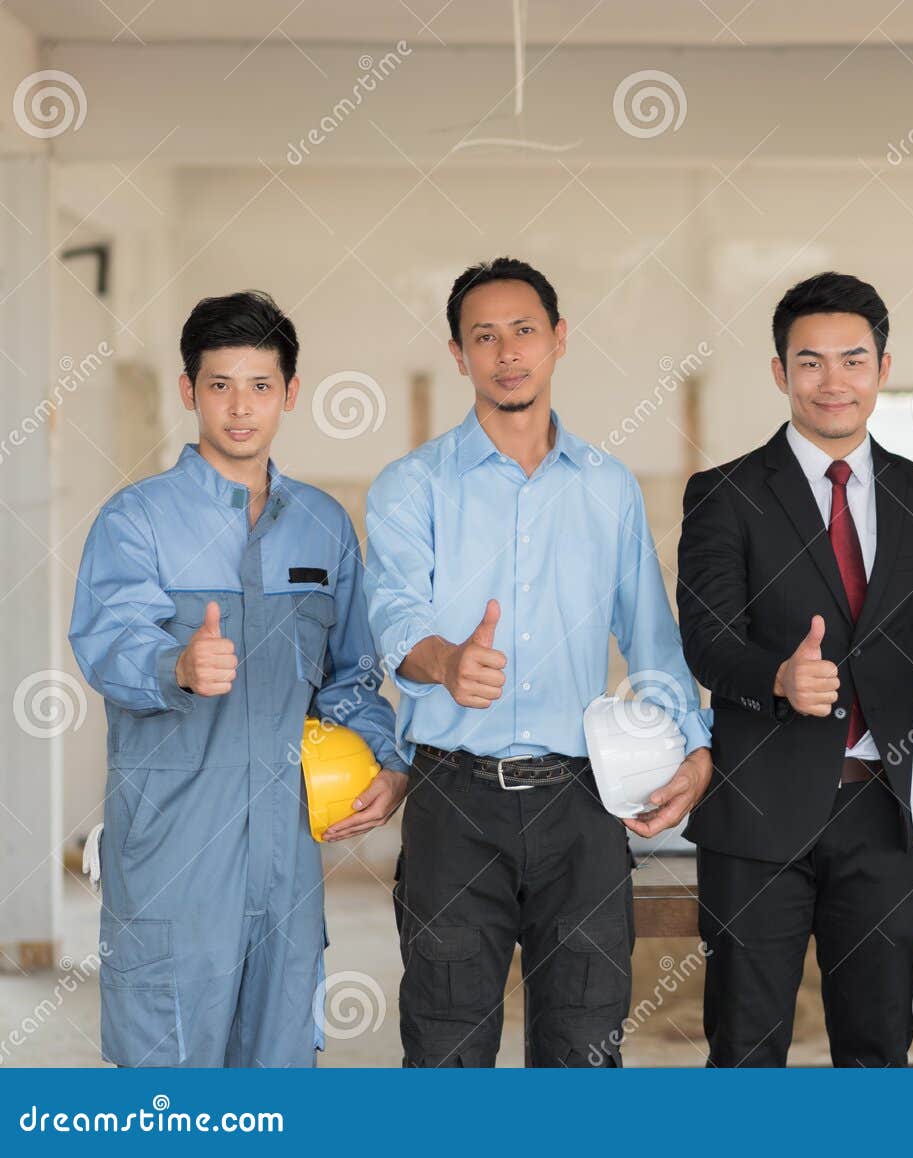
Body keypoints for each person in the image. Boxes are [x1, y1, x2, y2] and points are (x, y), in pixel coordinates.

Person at [364, 257, 711, 1067]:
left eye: (523, 330)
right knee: (446, 1052)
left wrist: (693, 748)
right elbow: (395, 616)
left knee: (584, 1050)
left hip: (581, 807)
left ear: (558, 340)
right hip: (453, 803)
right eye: (484, 337)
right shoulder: (411, 486)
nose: (506, 351)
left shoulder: (608, 487)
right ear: (459, 355)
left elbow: (651, 638)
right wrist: (445, 661)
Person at [68, 291, 404, 1067]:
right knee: (168, 1085)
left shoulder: (323, 525)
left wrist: (388, 760)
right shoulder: (137, 521)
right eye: (220, 385)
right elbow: (107, 642)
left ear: (289, 393)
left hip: (285, 863)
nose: (240, 407)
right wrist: (173, 664)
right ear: (189, 392)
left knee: (279, 1081)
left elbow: (352, 674)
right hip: (173, 860)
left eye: (260, 385)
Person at [676, 271, 913, 1067]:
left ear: (883, 369)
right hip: (756, 814)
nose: (833, 381)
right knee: (746, 1054)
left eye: (852, 359)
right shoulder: (725, 495)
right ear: (781, 372)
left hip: (884, 815)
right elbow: (707, 640)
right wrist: (776, 679)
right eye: (810, 361)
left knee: (877, 1052)